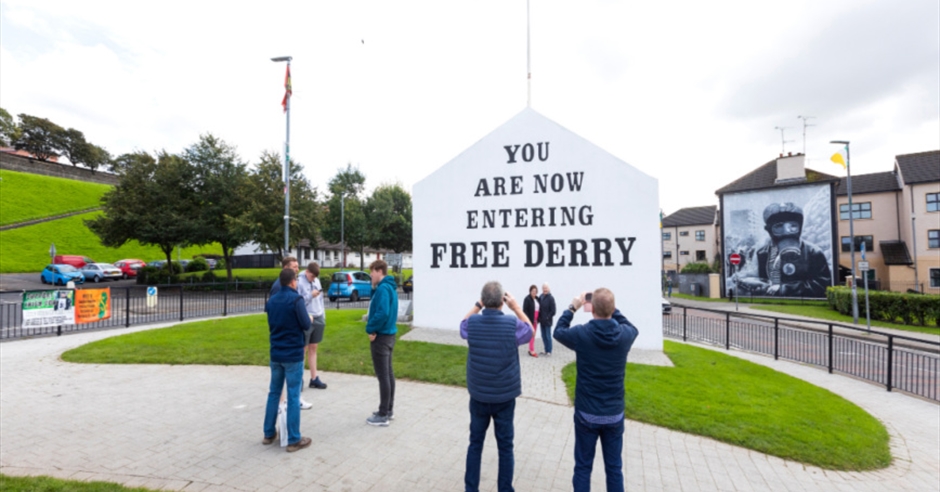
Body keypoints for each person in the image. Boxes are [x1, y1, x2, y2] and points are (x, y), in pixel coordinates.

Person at [554, 288, 638, 491]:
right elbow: (632, 327)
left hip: (587, 414)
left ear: (591, 309)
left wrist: (572, 307)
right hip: (613, 414)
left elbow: (558, 331)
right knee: (614, 468)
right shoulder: (625, 335)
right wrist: (611, 308)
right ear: (613, 308)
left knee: (583, 467)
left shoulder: (582, 333)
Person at [460, 282, 533, 492]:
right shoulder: (512, 324)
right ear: (503, 301)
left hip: (479, 395)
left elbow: (462, 325)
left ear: (484, 301)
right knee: (505, 447)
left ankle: (471, 488)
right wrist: (517, 308)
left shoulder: (473, 323)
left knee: (475, 444)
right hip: (504, 396)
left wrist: (477, 305)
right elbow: (530, 330)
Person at [261, 268, 313, 452]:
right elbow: (306, 325)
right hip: (292, 354)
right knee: (293, 395)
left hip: (276, 352)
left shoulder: (272, 301)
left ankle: (268, 433)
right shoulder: (296, 300)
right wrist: (309, 318)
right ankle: (293, 438)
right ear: (292, 282)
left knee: (274, 392)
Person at [733, 202, 831, 297]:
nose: (787, 232)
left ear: (800, 227)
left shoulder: (813, 252)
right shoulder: (762, 253)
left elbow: (822, 284)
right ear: (769, 230)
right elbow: (761, 278)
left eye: (793, 226)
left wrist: (785, 289)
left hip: (801, 306)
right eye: (779, 227)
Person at [365, 259, 399, 426]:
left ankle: (383, 413)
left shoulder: (384, 289)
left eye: (372, 271)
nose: (370, 274)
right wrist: (372, 287)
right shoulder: (387, 287)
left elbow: (382, 312)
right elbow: (375, 304)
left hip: (382, 337)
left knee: (383, 376)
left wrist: (370, 328)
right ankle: (389, 409)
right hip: (389, 335)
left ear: (379, 271)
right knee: (388, 374)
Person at [298, 262, 327, 389]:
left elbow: (320, 299)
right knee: (303, 348)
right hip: (306, 318)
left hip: (318, 316)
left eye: (315, 277)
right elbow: (298, 301)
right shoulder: (299, 281)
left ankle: (314, 378)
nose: (313, 279)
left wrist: (323, 315)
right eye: (312, 276)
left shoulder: (317, 281)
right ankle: (299, 380)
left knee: (313, 347)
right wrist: (310, 295)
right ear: (307, 272)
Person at [537, 283, 556, 356]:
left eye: (546, 288)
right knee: (543, 335)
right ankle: (545, 350)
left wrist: (548, 317)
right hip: (541, 320)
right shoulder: (541, 297)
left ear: (549, 289)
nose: (545, 289)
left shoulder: (551, 298)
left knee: (548, 336)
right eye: (544, 288)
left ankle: (549, 351)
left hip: (548, 321)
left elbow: (553, 311)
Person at [522, 285, 540, 358]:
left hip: (536, 320)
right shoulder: (527, 299)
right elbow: (525, 310)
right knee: (532, 334)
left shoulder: (537, 299)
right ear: (530, 291)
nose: (534, 292)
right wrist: (527, 320)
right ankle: (532, 350)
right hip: (531, 319)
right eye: (533, 291)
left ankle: (530, 349)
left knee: (534, 334)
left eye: (535, 291)